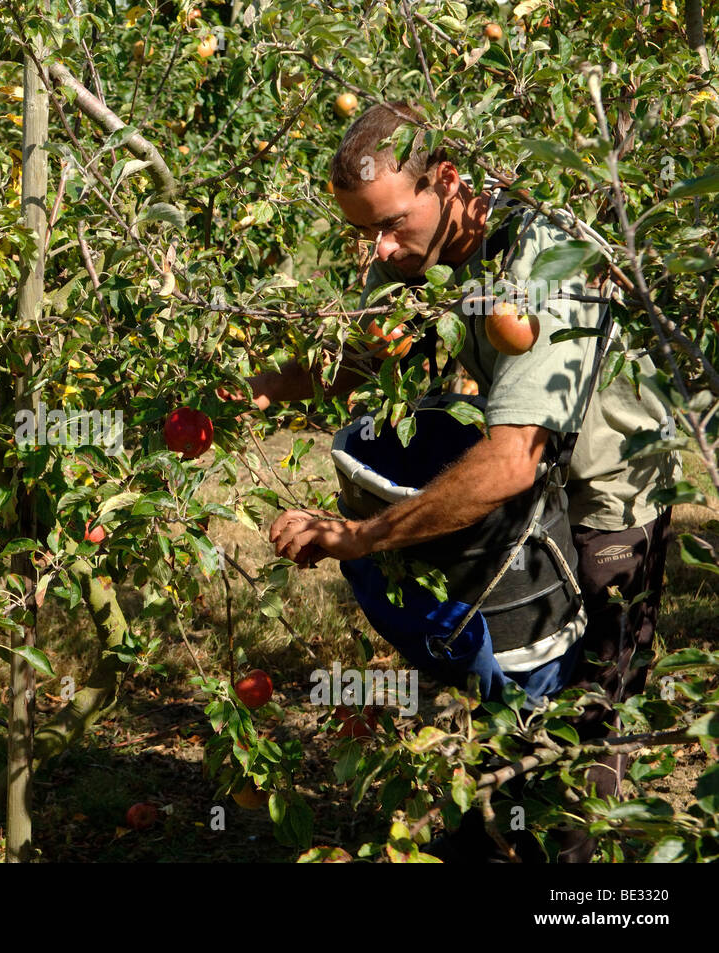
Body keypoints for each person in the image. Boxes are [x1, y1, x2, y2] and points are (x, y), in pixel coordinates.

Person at [228, 101, 683, 861]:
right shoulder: (427, 251)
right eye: (362, 232)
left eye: (389, 224)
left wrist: (362, 536)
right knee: (504, 708)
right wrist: (261, 390)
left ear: (448, 179)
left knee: (590, 736)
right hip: (531, 499)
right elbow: (373, 354)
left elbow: (510, 459)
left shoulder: (538, 258)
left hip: (608, 497)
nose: (377, 250)